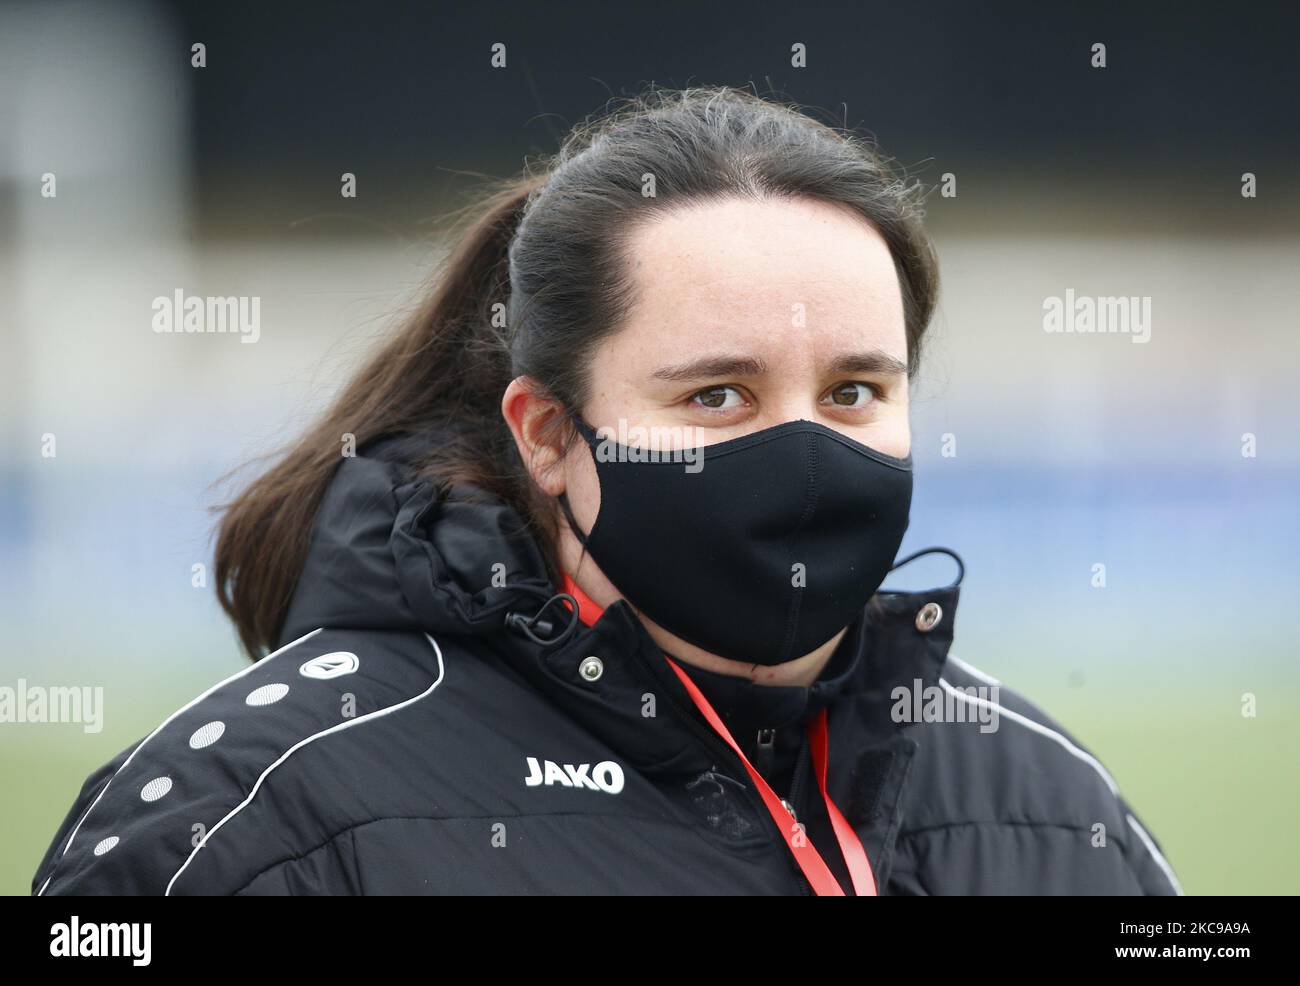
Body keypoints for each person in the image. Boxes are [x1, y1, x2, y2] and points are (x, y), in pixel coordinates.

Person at [33, 86, 1181, 895]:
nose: (805, 454)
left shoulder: (1038, 790)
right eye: (717, 396)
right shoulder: (257, 810)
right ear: (545, 433)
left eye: (853, 391)